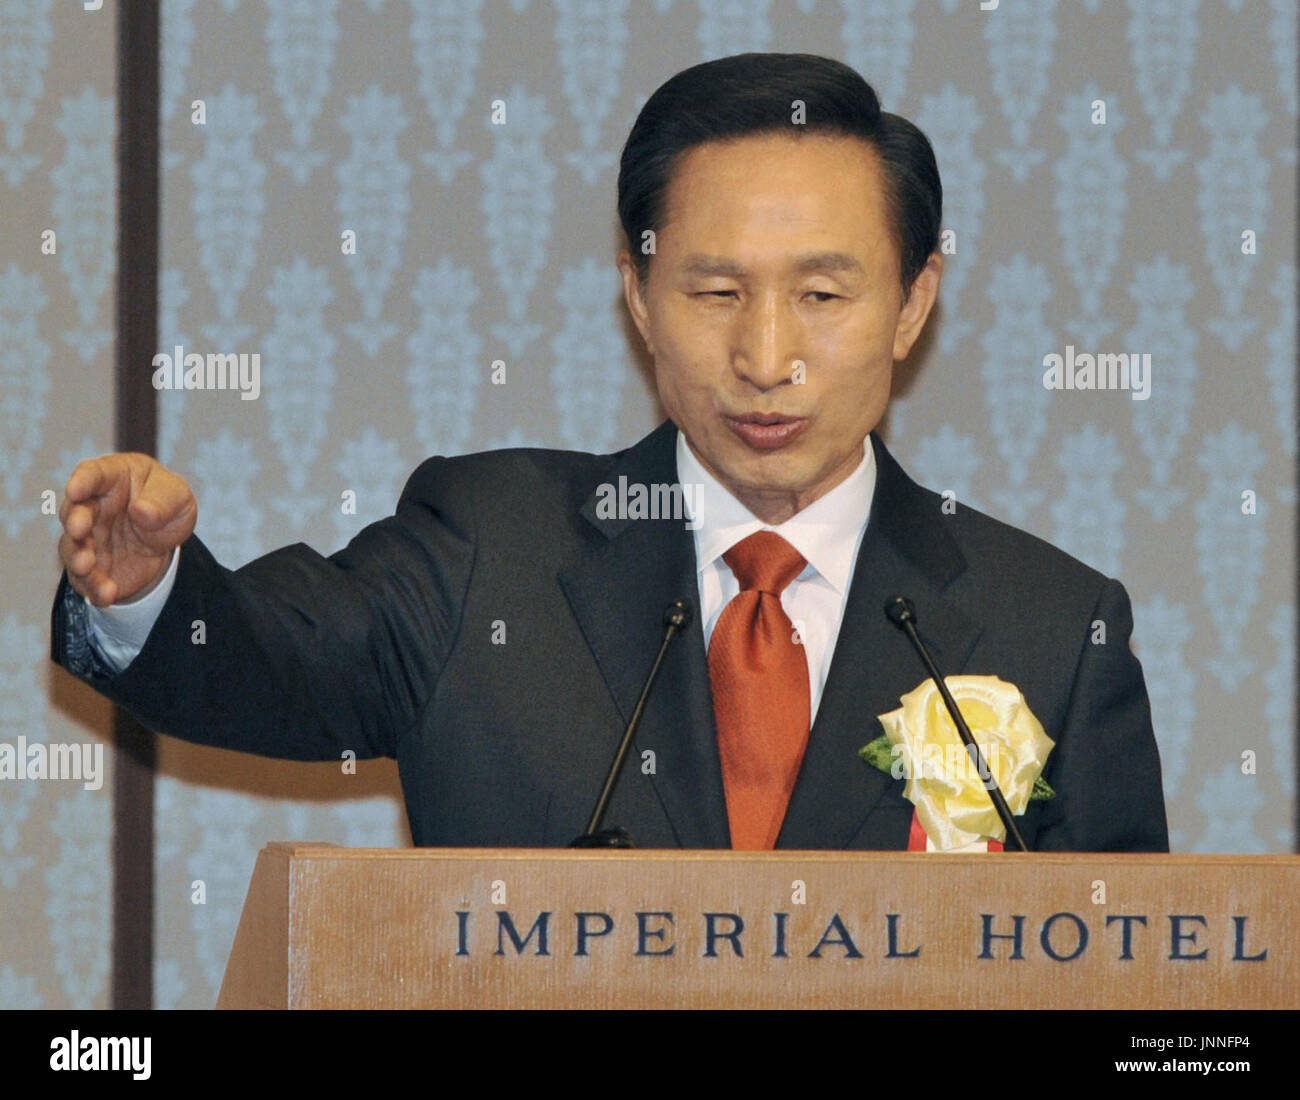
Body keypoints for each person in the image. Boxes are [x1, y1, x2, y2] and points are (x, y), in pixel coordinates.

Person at [51, 53, 1168, 852]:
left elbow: (1141, 994)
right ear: (638, 295)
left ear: (912, 303)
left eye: (822, 294)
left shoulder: (1051, 627)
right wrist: (151, 594)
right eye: (714, 291)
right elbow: (271, 662)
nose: (765, 354)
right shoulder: (488, 546)